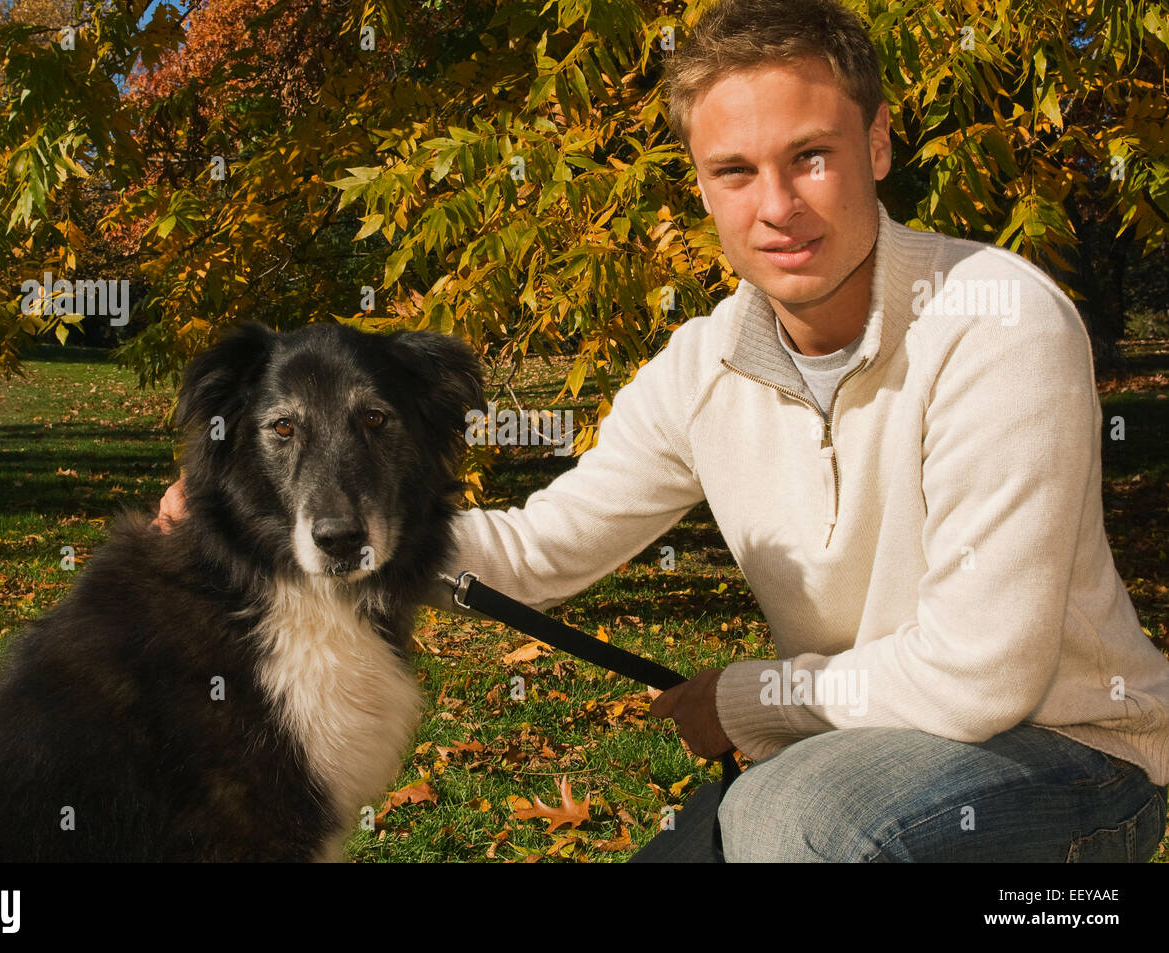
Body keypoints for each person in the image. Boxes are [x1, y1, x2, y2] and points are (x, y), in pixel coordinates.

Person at [157, 0, 1169, 861]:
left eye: (809, 157)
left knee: (793, 820)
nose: (776, 208)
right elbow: (544, 547)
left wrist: (745, 699)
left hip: (1069, 752)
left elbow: (979, 670)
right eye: (734, 170)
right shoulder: (706, 362)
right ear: (698, 182)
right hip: (851, 742)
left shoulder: (994, 320)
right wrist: (285, 529)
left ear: (878, 142)